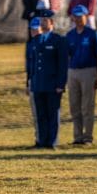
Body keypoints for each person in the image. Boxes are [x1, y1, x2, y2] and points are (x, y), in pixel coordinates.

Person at [27, 8, 68, 148]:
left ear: (51, 23)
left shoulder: (58, 40)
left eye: (45, 21)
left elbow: (62, 64)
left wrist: (61, 84)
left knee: (52, 113)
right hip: (38, 83)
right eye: (41, 21)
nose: (43, 23)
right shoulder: (35, 41)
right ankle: (42, 141)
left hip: (52, 83)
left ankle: (52, 141)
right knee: (41, 114)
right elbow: (32, 64)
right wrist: (31, 82)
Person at [65, 4, 97, 145]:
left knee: (87, 106)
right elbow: (67, 56)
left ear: (86, 17)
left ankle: (88, 136)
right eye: (75, 16)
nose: (78, 19)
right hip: (73, 71)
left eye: (80, 16)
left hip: (89, 71)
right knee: (74, 106)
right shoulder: (69, 35)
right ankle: (77, 136)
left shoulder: (93, 34)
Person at [26, 16, 41, 145]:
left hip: (44, 82)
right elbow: (28, 66)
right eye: (32, 29)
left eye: (36, 29)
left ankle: (46, 137)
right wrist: (27, 82)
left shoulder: (46, 42)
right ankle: (38, 138)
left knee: (43, 111)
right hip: (33, 81)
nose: (34, 32)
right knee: (35, 112)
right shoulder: (29, 45)